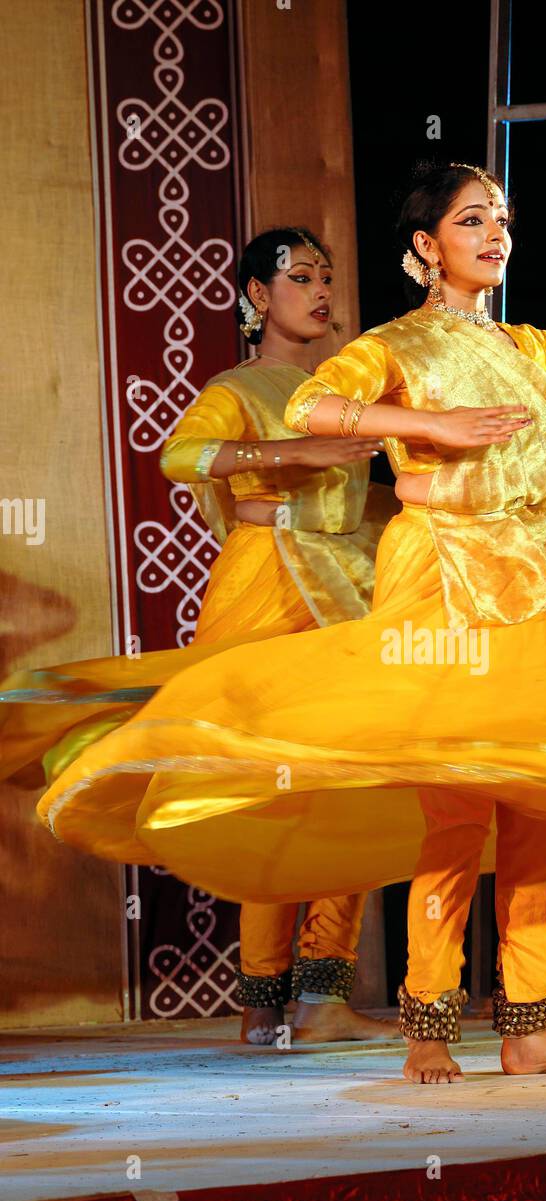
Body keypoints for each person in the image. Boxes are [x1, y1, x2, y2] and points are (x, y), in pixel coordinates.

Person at [34, 164, 546, 1085]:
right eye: (473, 221)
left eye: (503, 219)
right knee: (458, 800)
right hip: (444, 576)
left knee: (544, 792)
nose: (496, 234)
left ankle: (530, 1026)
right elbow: (315, 408)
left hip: (543, 566)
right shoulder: (394, 345)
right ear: (427, 248)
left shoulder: (529, 343)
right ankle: (426, 1029)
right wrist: (432, 433)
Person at [0, 226, 399, 1047]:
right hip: (268, 589)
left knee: (351, 779)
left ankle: (323, 998)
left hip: (346, 589)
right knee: (262, 785)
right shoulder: (240, 386)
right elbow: (181, 456)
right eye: (299, 276)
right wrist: (298, 450)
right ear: (258, 296)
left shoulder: (344, 384)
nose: (320, 290)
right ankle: (261, 1003)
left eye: (326, 276)